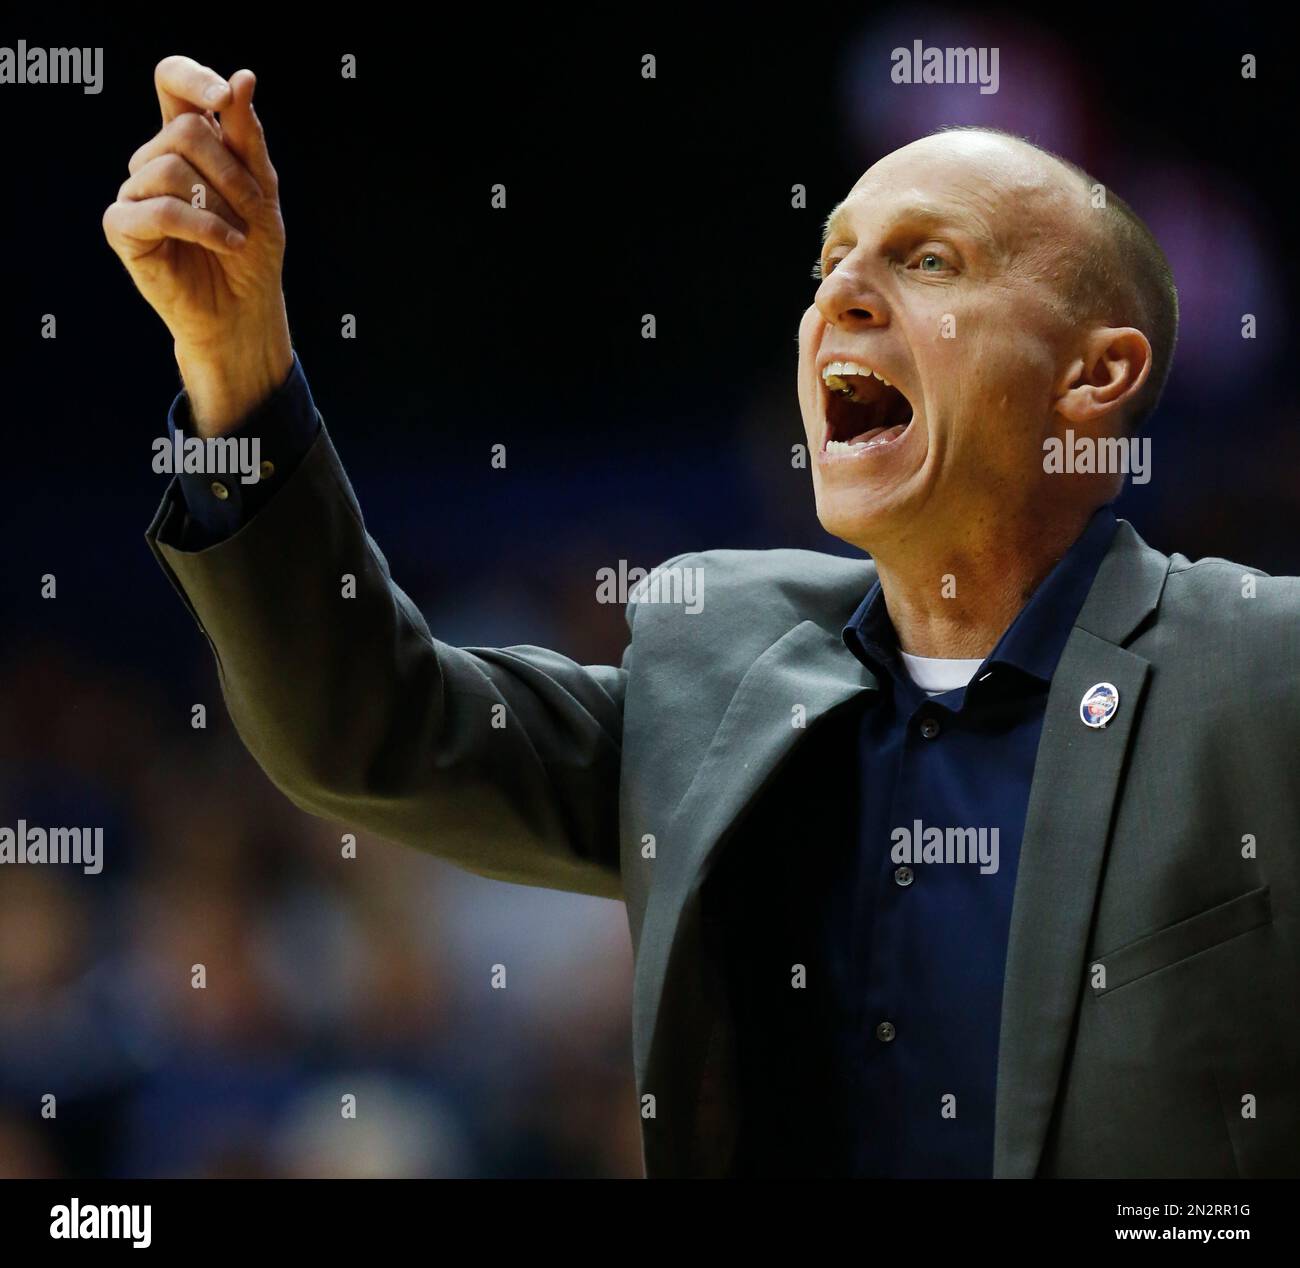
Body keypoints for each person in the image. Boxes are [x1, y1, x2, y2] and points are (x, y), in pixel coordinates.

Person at [104, 55, 1300, 1178]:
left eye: (929, 261)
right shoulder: (721, 664)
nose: (842, 293)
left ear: (1094, 377)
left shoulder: (1256, 665)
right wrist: (238, 356)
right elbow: (369, 726)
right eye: (828, 262)